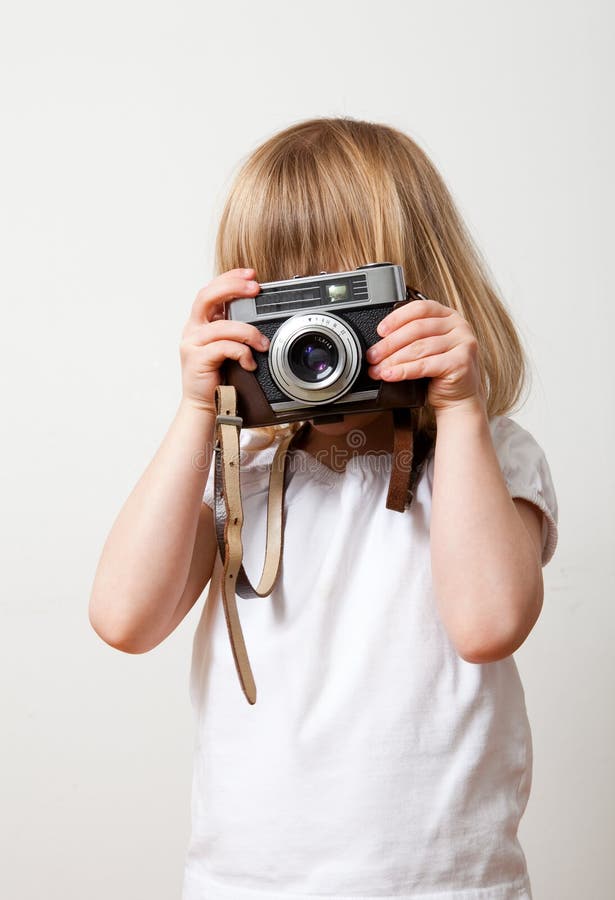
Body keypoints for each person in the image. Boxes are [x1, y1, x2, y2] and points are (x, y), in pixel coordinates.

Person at [89, 117, 558, 900]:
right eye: (284, 302)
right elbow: (124, 621)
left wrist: (464, 411)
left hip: (445, 883)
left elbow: (487, 627)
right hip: (246, 881)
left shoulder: (486, 451)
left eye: (347, 302)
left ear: (424, 293)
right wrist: (199, 412)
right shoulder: (238, 464)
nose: (319, 334)